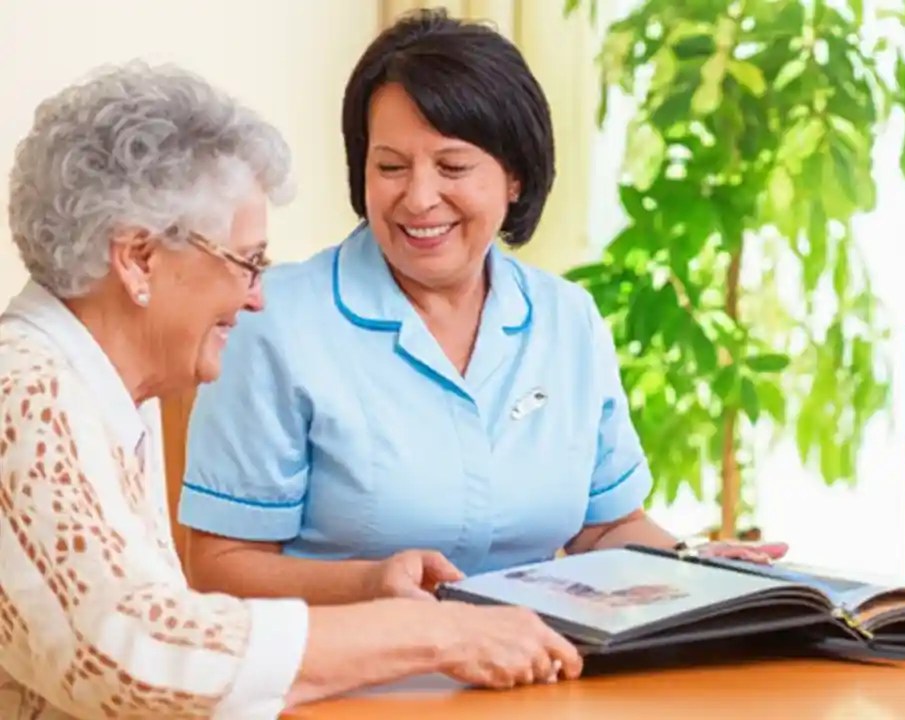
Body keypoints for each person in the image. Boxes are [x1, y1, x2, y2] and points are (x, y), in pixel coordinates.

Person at [0, 62, 583, 719]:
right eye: (245, 262)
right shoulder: (27, 394)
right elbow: (137, 652)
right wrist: (439, 633)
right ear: (138, 259)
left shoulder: (92, 391)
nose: (255, 297)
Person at [177, 7, 787, 607]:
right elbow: (220, 567)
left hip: (530, 675)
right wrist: (369, 585)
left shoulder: (566, 320)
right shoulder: (273, 318)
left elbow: (603, 529)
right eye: (389, 166)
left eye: (452, 167)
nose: (418, 199)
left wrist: (698, 567)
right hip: (353, 683)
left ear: (515, 175)